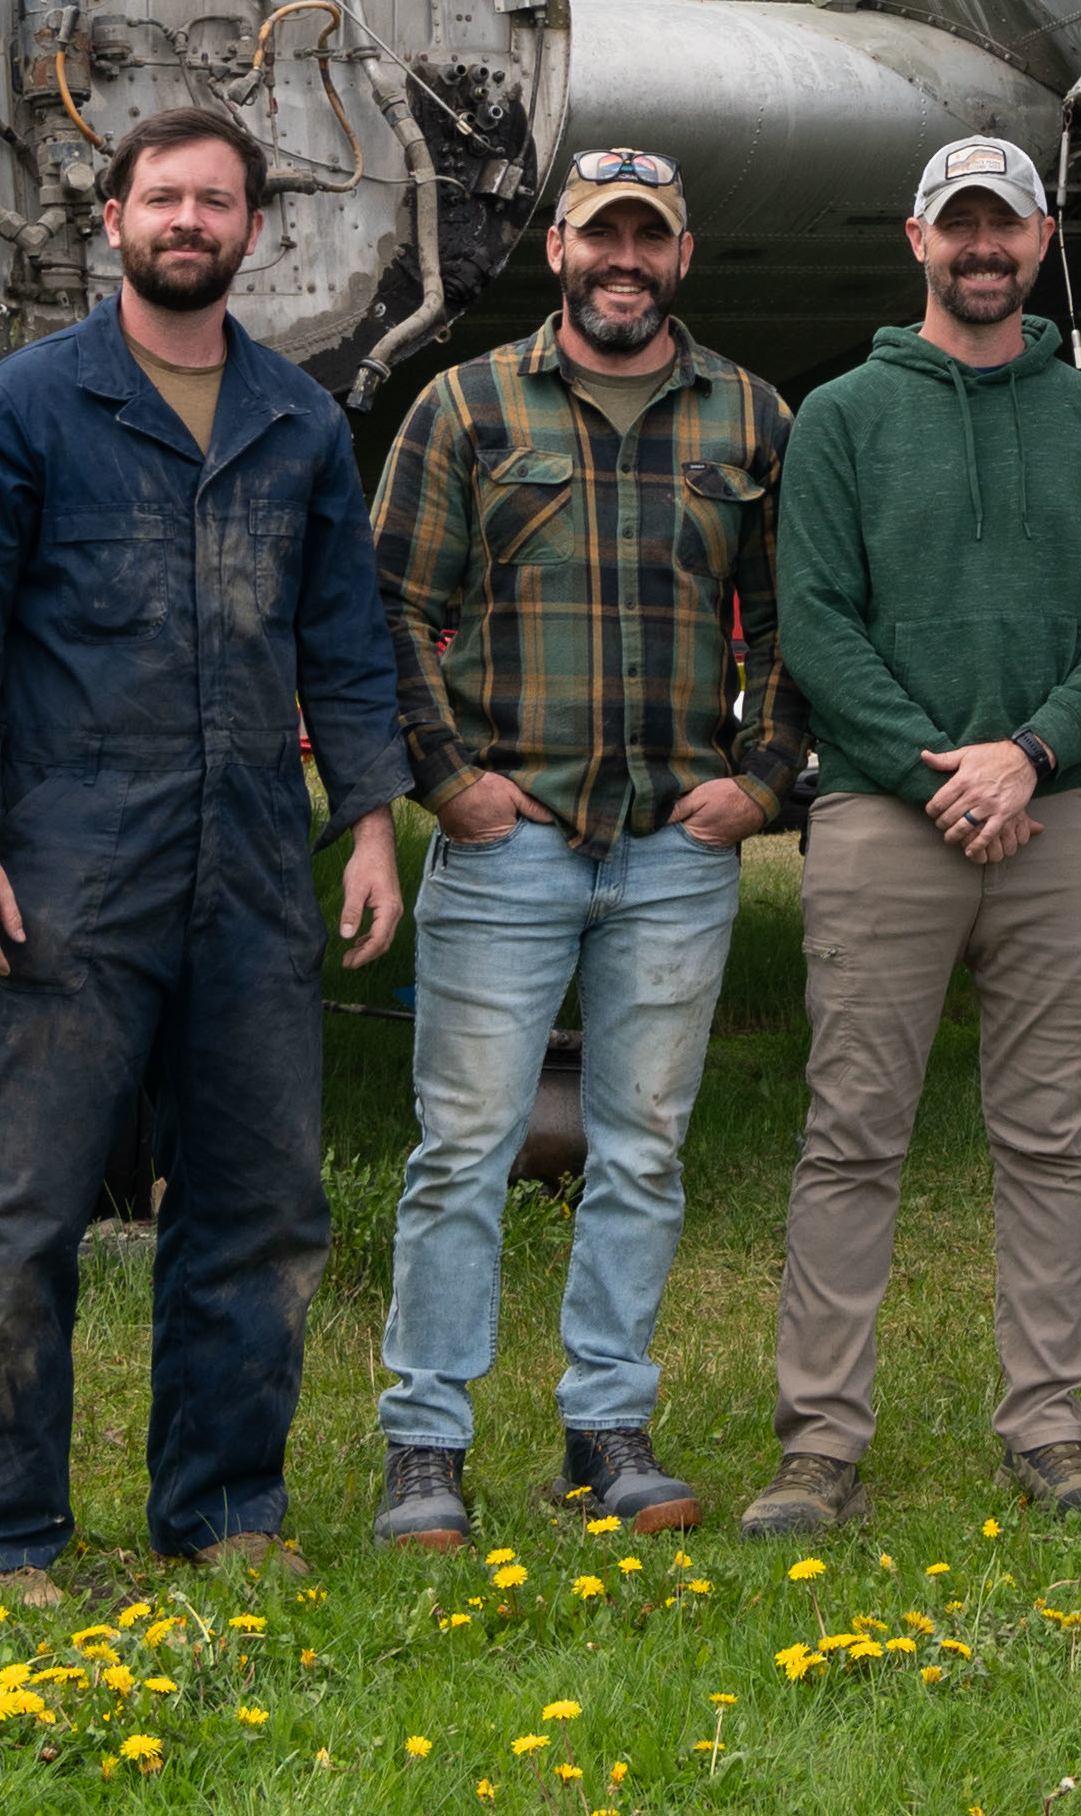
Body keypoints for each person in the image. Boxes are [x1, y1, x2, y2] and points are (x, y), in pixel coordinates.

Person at [0, 104, 405, 1596]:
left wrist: (369, 826)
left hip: (251, 861)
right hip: (71, 858)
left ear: (257, 230)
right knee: (20, 1210)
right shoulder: (26, 407)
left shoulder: (300, 420)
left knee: (258, 1208)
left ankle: (228, 1507)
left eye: (218, 200)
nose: (190, 219)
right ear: (110, 219)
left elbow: (345, 647)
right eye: (163, 196)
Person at [364, 143, 801, 1550]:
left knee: (642, 1151)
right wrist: (450, 783)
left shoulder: (748, 413)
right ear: (556, 247)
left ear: (681, 254)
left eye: (649, 237)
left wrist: (761, 782)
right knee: (462, 1148)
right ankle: (424, 1443)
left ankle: (605, 1423)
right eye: (600, 234)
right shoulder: (466, 405)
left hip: (678, 844)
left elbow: (796, 621)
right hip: (512, 840)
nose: (625, 259)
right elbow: (385, 612)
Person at [747, 135, 1081, 1536]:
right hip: (883, 809)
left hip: (1062, 807)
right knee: (852, 1131)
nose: (982, 246)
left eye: (1006, 224)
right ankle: (818, 1444)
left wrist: (1030, 752)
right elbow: (815, 620)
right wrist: (939, 769)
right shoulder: (844, 415)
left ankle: (1046, 1429)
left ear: (1042, 240)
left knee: (1047, 1137)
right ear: (916, 240)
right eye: (957, 223)